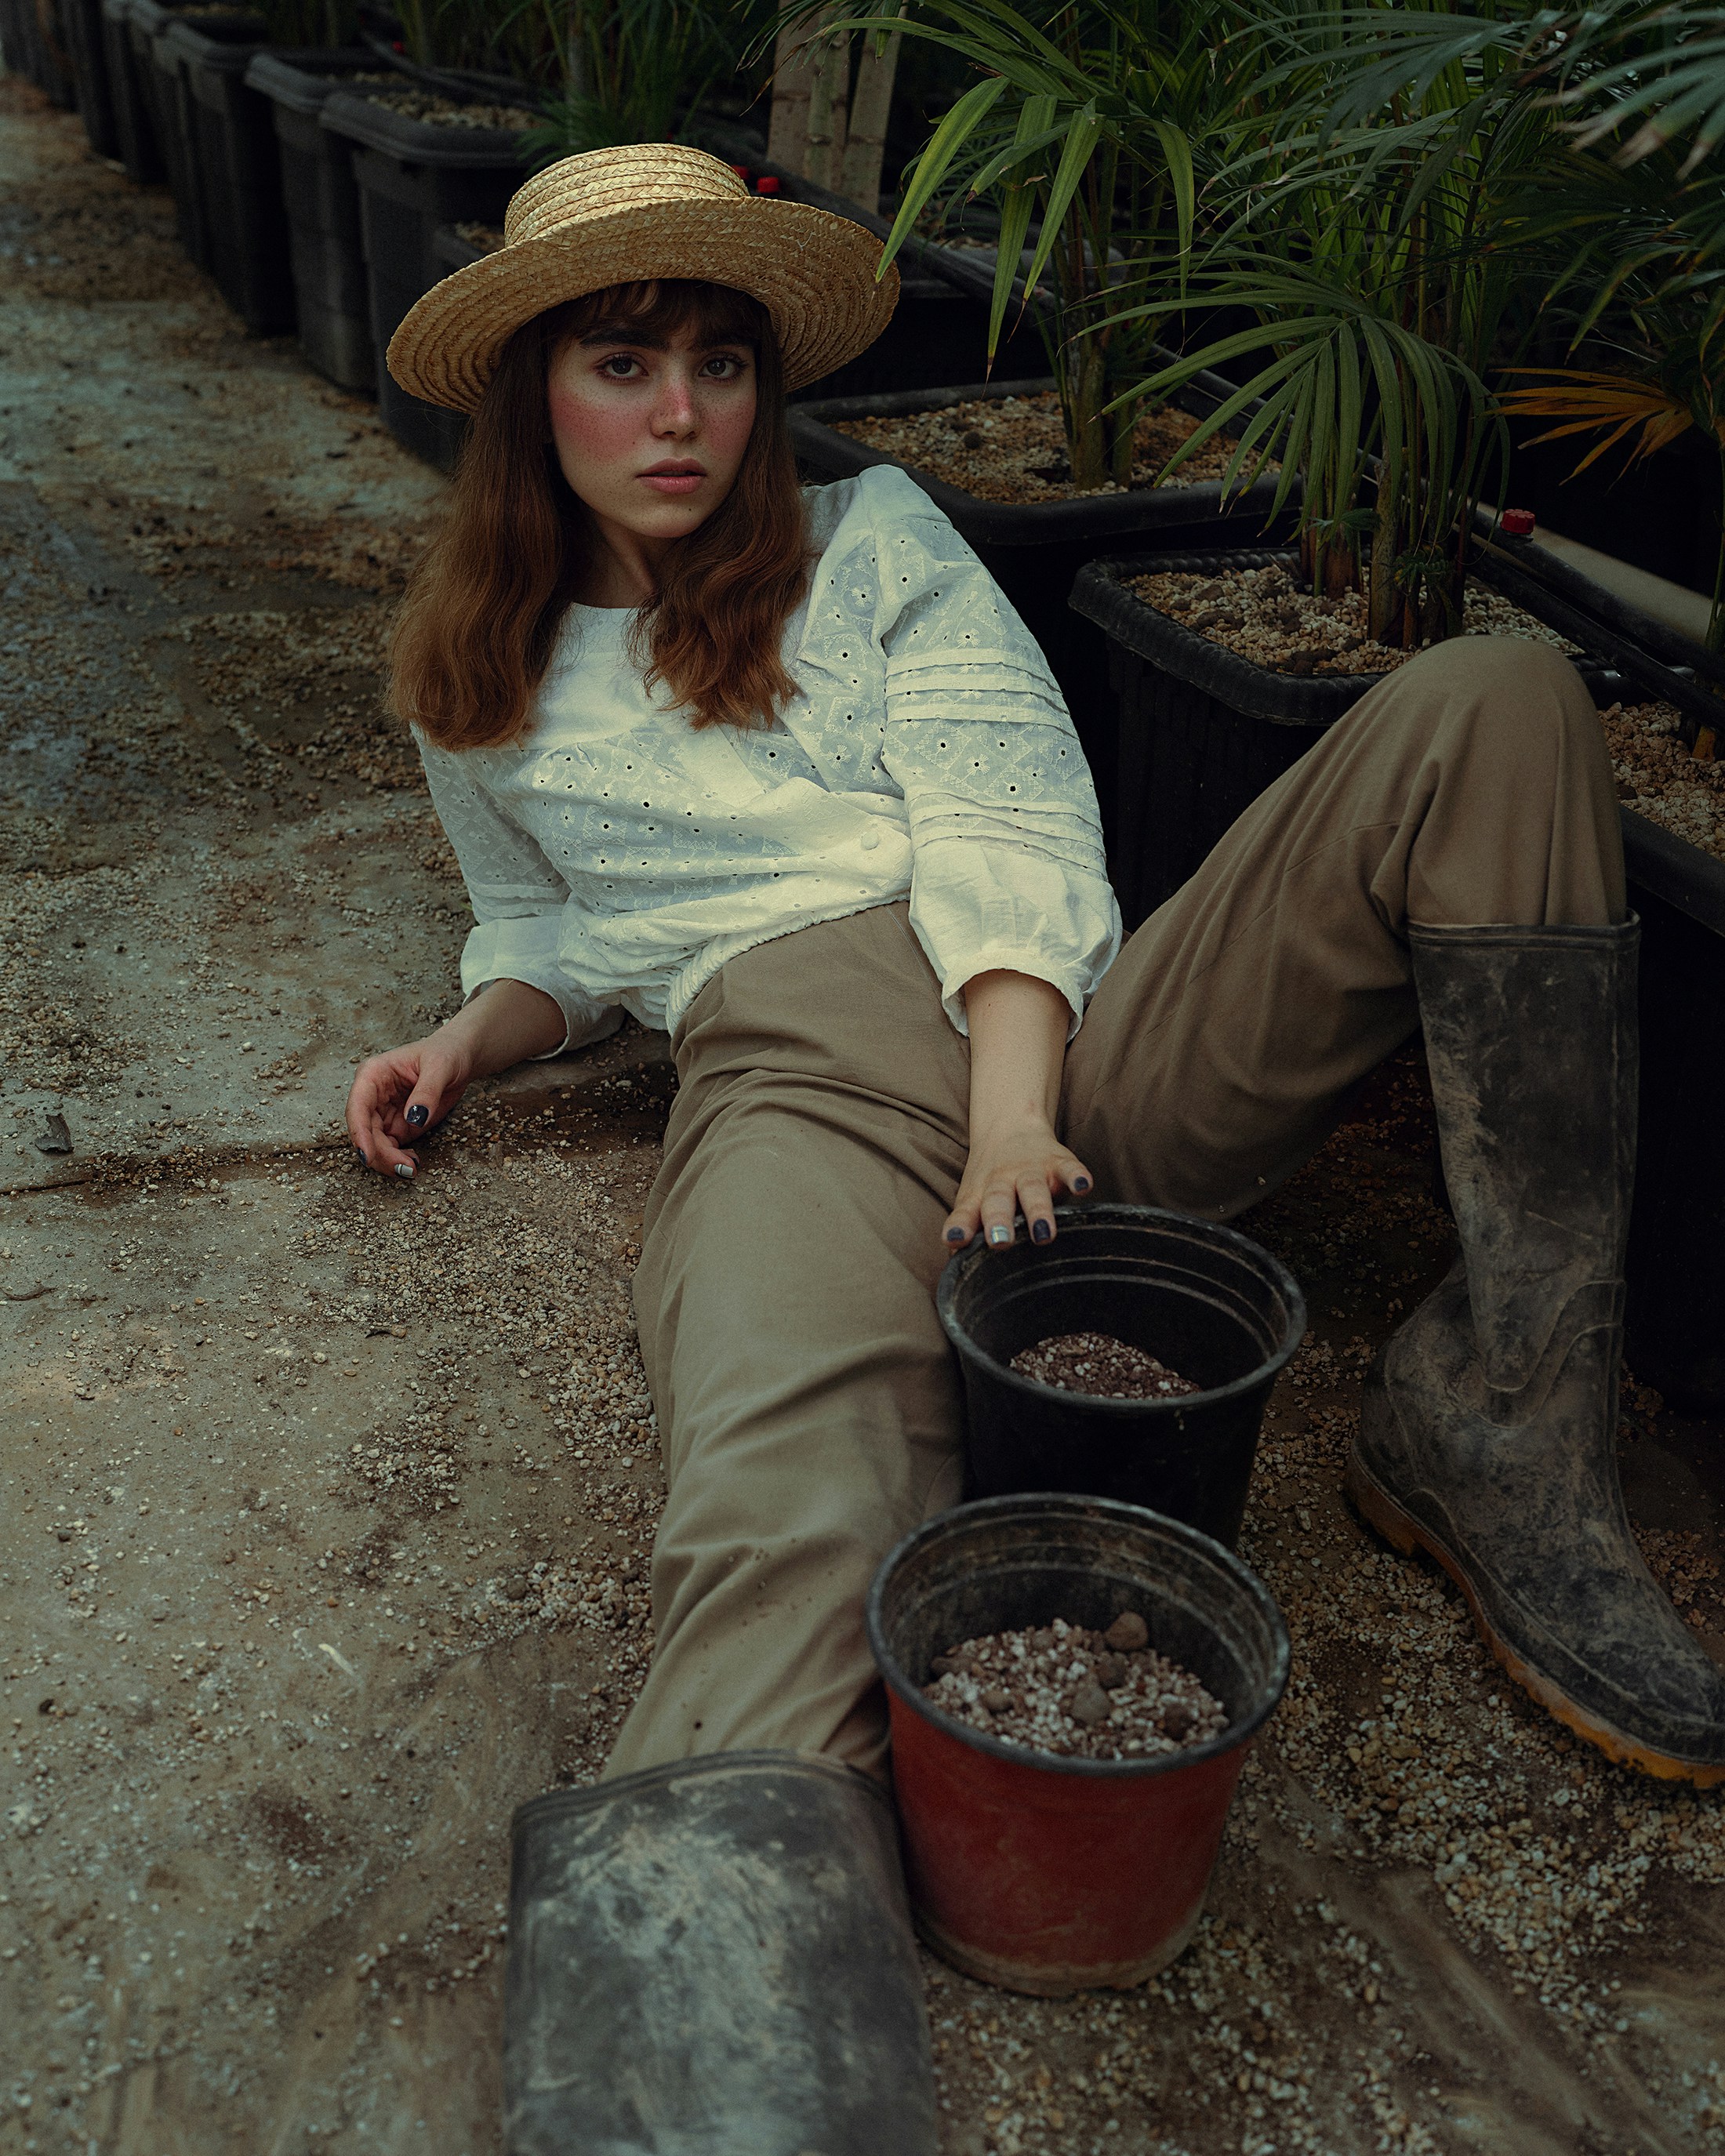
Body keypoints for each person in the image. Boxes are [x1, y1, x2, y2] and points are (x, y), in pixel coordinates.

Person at [347, 144, 1725, 2155]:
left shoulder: (870, 539)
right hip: (801, 1078)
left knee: (1497, 695)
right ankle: (711, 2060)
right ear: (526, 395)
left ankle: (1496, 1408)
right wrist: (469, 1033)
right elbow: (578, 940)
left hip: (1065, 1044)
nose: (675, 414)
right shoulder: (470, 679)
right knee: (794, 1493)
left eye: (717, 365)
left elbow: (1003, 818)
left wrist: (1013, 1116)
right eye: (620, 359)